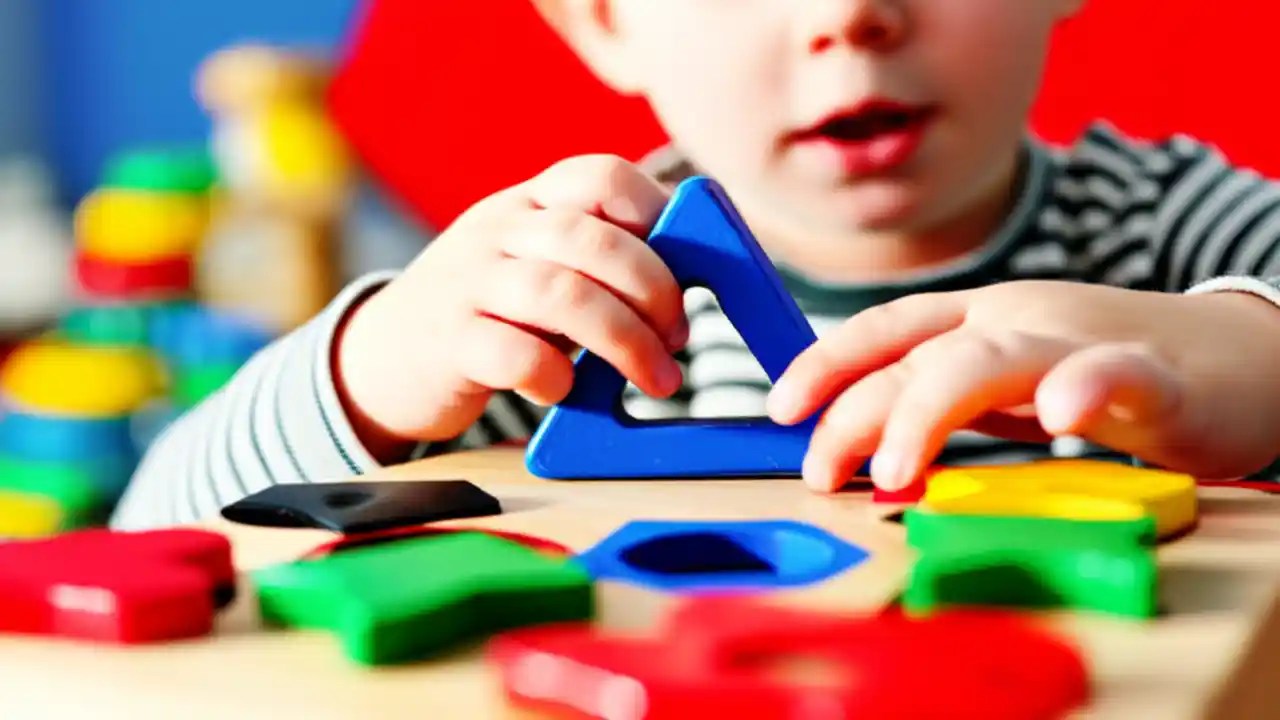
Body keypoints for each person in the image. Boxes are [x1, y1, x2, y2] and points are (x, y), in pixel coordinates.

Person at [111, 0, 1280, 530]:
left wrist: (1237, 350)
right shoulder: (572, 285)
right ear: (603, 23)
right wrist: (371, 367)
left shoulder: (1162, 226)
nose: (848, 14)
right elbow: (159, 540)